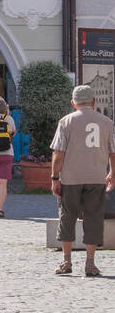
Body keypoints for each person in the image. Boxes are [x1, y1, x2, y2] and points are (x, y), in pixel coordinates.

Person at [50, 83, 115, 277]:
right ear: (93, 102)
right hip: (96, 177)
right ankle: (90, 263)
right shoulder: (106, 122)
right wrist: (112, 172)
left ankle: (66, 261)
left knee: (67, 216)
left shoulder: (66, 122)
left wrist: (55, 178)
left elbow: (58, 153)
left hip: (71, 177)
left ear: (73, 103)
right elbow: (113, 152)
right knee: (93, 217)